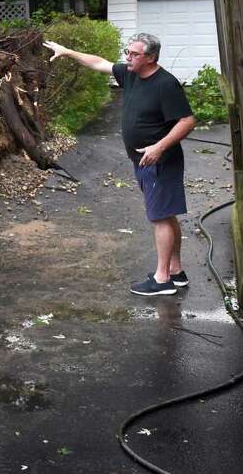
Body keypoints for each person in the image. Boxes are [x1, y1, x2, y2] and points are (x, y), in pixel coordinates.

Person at [43, 33, 196, 297]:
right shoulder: (131, 74)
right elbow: (98, 63)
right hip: (143, 160)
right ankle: (175, 271)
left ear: (150, 57)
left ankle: (162, 280)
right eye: (127, 52)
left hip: (159, 160)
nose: (128, 58)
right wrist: (67, 51)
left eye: (134, 54)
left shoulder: (165, 84)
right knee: (166, 214)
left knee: (159, 217)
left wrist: (159, 147)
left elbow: (187, 121)